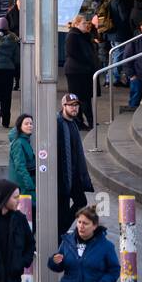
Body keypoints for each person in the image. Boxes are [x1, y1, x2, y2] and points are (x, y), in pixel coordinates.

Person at [56, 94, 94, 243]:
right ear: (63, 106)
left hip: (74, 174)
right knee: (63, 209)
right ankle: (58, 236)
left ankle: (60, 232)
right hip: (62, 175)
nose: (74, 108)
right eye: (71, 105)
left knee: (80, 201)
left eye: (76, 105)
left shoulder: (73, 123)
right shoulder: (58, 123)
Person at [63, 16, 99, 131]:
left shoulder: (84, 36)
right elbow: (72, 53)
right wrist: (87, 61)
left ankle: (84, 122)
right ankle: (85, 122)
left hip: (83, 71)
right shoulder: (73, 36)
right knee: (81, 98)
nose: (86, 25)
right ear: (77, 24)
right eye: (83, 23)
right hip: (76, 72)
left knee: (84, 98)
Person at [7, 114, 35, 201]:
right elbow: (20, 166)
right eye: (26, 124)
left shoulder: (24, 140)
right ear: (20, 126)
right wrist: (30, 184)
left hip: (23, 183)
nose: (29, 126)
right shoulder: (19, 143)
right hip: (22, 185)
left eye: (31, 123)